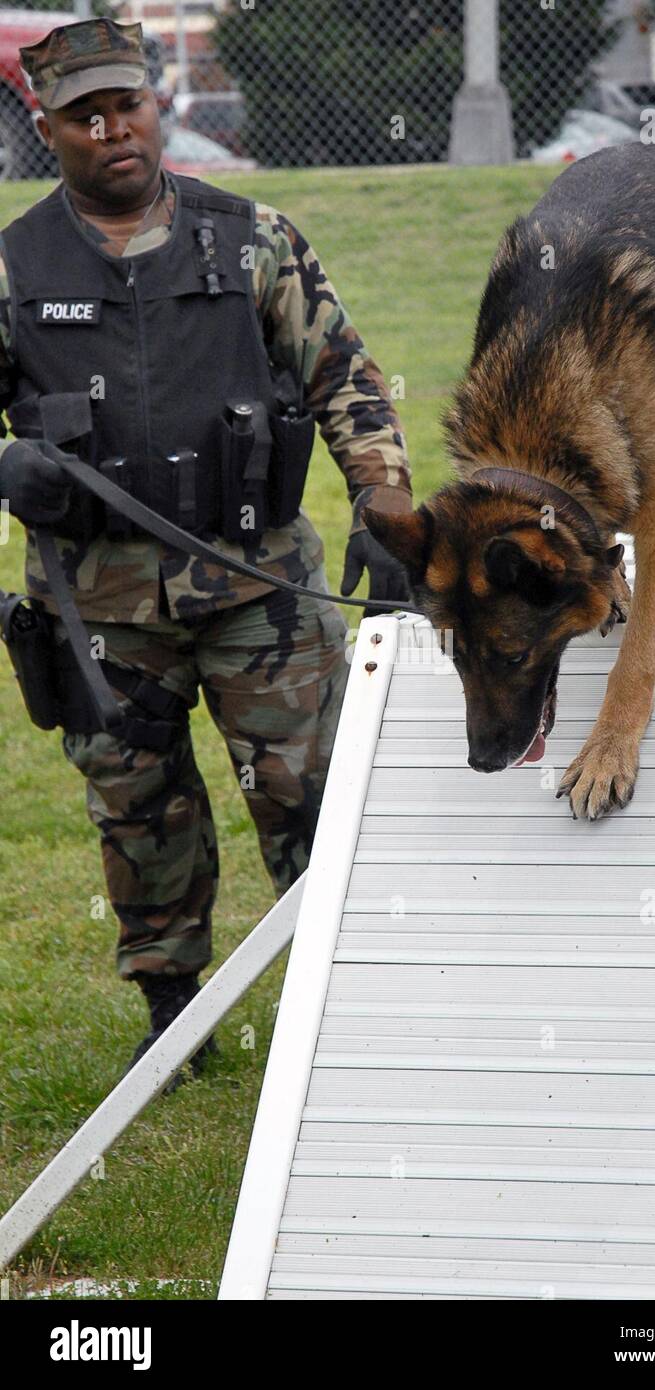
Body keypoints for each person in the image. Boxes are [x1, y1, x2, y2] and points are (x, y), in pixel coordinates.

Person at [0, 17, 413, 1086]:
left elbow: (344, 376)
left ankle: (348, 999)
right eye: (83, 116)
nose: (111, 129)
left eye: (125, 105)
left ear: (156, 106)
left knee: (310, 795)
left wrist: (383, 504)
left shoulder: (251, 237)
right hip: (99, 613)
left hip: (256, 594)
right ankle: (175, 1018)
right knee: (140, 815)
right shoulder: (16, 267)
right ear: (49, 129)